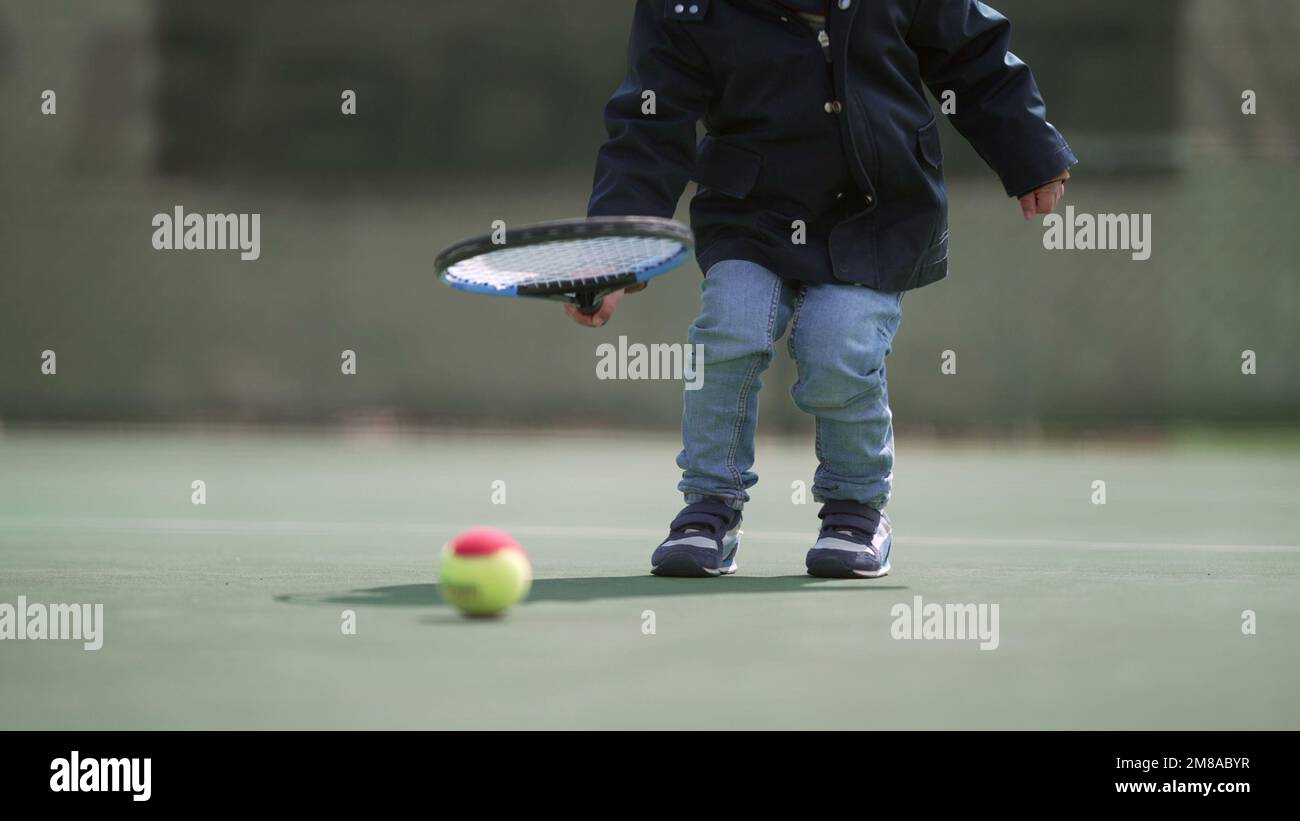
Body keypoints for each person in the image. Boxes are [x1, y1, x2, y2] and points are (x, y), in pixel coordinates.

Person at [570, 0, 1075, 578]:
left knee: (837, 348)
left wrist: (1030, 152)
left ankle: (855, 512)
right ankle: (708, 509)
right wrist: (614, 251)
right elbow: (649, 120)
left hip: (878, 210)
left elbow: (974, 56)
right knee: (729, 330)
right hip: (750, 211)